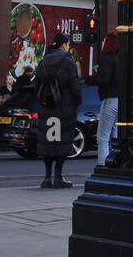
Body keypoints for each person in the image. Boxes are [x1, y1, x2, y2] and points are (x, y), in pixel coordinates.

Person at [34, 33, 81, 188]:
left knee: (47, 142)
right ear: (64, 44)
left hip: (46, 108)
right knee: (62, 142)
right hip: (63, 108)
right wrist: (76, 103)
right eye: (68, 44)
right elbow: (75, 88)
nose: (68, 47)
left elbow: (36, 88)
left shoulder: (43, 62)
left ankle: (47, 177)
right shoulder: (68, 62)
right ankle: (59, 177)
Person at [84, 32, 120, 165]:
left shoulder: (105, 58)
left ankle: (102, 164)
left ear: (108, 43)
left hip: (109, 99)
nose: (102, 43)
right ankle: (116, 162)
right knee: (116, 135)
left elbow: (104, 79)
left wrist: (89, 79)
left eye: (104, 41)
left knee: (102, 137)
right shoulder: (120, 58)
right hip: (120, 100)